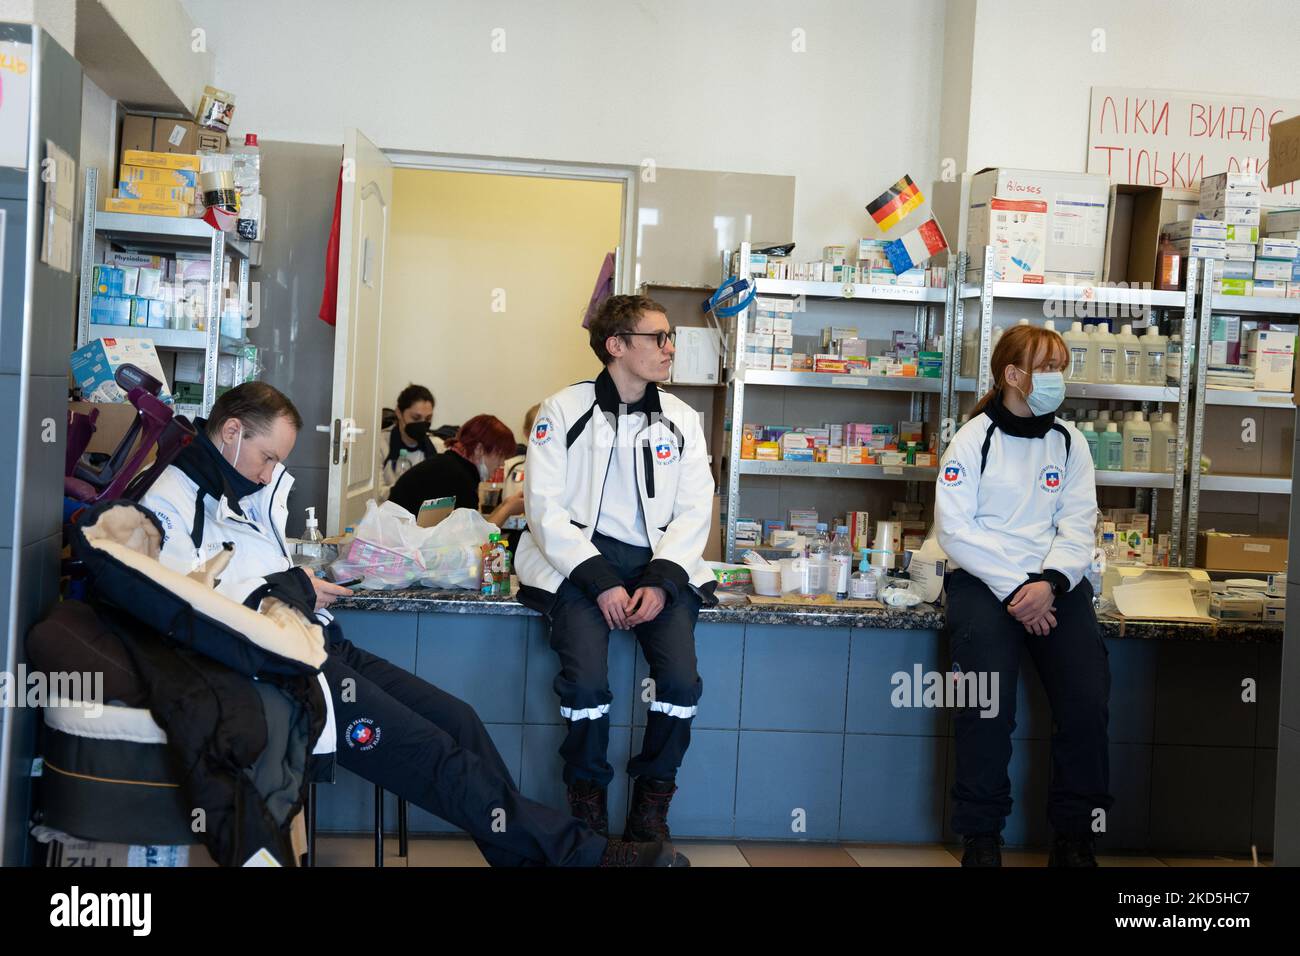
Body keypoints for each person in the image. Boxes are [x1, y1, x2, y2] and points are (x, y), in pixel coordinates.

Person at [142, 382, 686, 866]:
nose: (268, 473)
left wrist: (298, 580)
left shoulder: (242, 488)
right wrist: (293, 588)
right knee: (440, 759)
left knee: (460, 722)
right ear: (231, 430)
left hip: (320, 643)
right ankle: (585, 856)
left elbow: (249, 568)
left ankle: (529, 858)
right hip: (280, 671)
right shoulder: (172, 500)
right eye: (266, 458)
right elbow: (189, 603)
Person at [516, 294, 716, 844]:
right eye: (659, 338)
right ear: (617, 346)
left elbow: (697, 506)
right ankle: (587, 807)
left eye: (670, 337)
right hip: (579, 563)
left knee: (679, 682)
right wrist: (600, 580)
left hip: (660, 562)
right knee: (585, 686)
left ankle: (652, 803)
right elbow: (543, 507)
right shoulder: (562, 411)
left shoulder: (681, 418)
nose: (670, 348)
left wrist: (663, 578)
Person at [933, 324, 1111, 868]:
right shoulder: (973, 438)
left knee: (1086, 703)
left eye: (1062, 366)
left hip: (1055, 585)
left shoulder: (1070, 442)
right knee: (985, 708)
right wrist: (1017, 589)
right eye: (1049, 367)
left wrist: (1050, 584)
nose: (1059, 379)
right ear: (1014, 375)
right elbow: (955, 529)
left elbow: (1079, 526)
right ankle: (981, 839)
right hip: (986, 584)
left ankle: (1074, 838)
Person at [387, 414, 524, 527]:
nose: (501, 464)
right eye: (500, 456)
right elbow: (475, 541)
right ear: (479, 450)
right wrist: (507, 510)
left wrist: (506, 504)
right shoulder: (458, 478)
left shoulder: (449, 465)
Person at [378, 384, 443, 501]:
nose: (422, 424)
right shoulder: (380, 444)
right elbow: (377, 493)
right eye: (416, 418)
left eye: (428, 419)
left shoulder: (438, 447)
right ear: (398, 412)